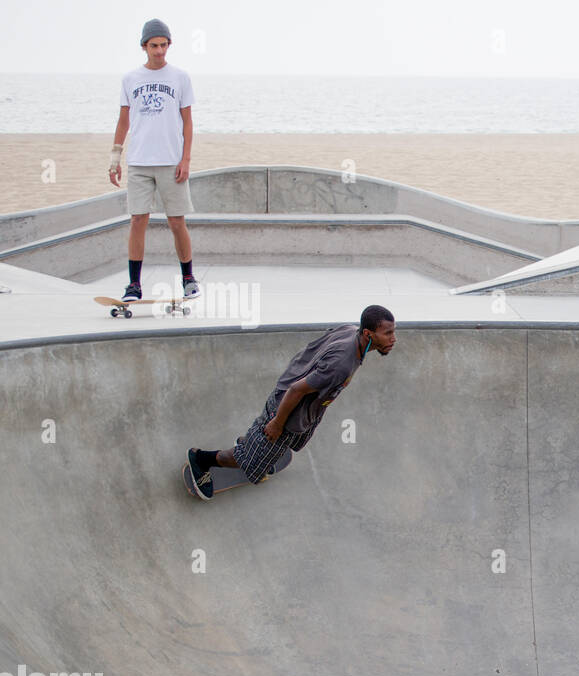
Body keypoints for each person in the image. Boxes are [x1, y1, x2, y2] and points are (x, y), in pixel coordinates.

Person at [187, 306, 397, 500]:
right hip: (288, 409)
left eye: (393, 332)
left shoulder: (350, 331)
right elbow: (296, 390)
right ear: (368, 334)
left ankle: (253, 443)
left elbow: (313, 349)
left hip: (307, 408)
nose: (393, 339)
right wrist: (277, 423)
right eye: (387, 333)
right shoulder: (341, 364)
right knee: (251, 461)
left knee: (292, 441)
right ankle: (203, 459)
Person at [108, 19, 198, 303]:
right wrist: (115, 157)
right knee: (137, 220)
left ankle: (188, 278)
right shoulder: (130, 79)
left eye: (164, 45)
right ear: (144, 47)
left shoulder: (180, 77)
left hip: (171, 161)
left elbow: (187, 122)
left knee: (176, 221)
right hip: (138, 161)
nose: (159, 51)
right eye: (154, 45)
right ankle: (134, 284)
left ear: (169, 45)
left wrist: (185, 158)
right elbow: (124, 121)